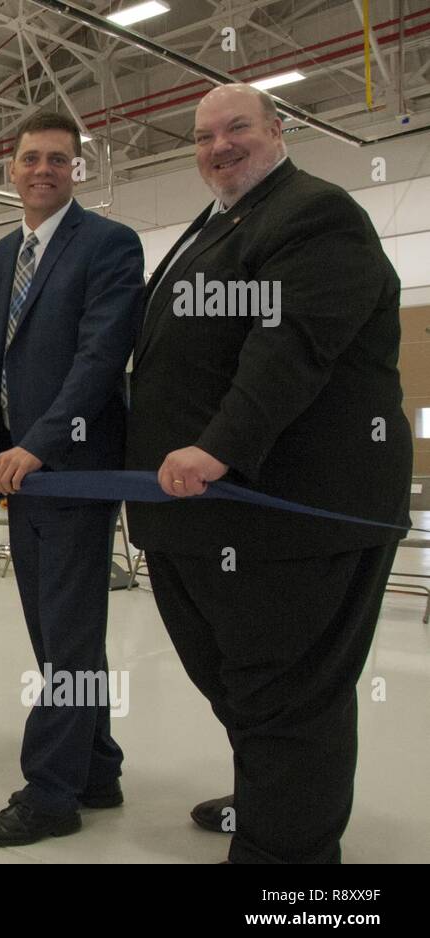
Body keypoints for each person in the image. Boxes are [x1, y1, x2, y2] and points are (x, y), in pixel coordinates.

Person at [127, 83, 411, 864]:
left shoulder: (314, 214)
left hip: (291, 511)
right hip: (211, 514)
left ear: (279, 131)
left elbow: (291, 343)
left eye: (236, 128)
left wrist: (218, 444)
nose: (218, 145)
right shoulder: (219, 224)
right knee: (240, 682)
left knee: (289, 694)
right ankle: (272, 798)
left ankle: (289, 859)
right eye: (202, 135)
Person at [0, 112, 144, 848]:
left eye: (59, 160)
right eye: (32, 157)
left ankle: (51, 791)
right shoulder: (3, 252)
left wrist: (38, 444)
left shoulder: (109, 244)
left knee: (67, 635)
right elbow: (1, 363)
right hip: (21, 471)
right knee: (58, 632)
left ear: (78, 169)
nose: (44, 169)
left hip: (72, 468)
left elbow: (101, 357)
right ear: (10, 168)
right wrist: (0, 447)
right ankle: (96, 765)